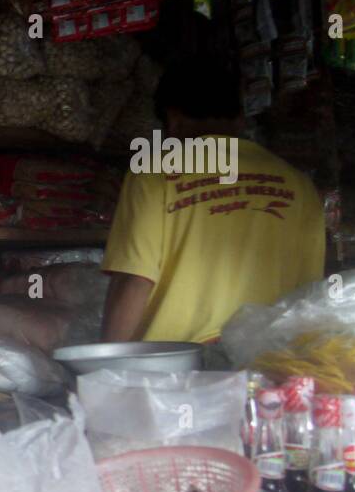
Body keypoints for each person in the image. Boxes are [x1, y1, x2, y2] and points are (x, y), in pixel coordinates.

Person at [100, 58, 325, 346]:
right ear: (241, 117)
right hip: (270, 365)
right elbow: (308, 295)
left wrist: (105, 368)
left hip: (177, 371)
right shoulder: (299, 185)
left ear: (172, 118)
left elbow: (133, 281)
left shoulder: (155, 172)